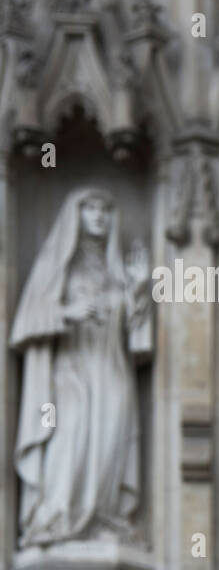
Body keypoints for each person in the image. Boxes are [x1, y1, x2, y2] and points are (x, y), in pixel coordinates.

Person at [10, 187, 152, 546]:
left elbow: (140, 345)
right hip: (68, 372)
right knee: (69, 433)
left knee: (108, 444)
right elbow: (24, 325)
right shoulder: (56, 267)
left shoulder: (119, 272)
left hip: (113, 371)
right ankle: (58, 517)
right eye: (90, 208)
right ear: (76, 215)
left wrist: (138, 291)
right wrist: (66, 314)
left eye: (105, 209)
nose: (99, 216)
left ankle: (103, 518)